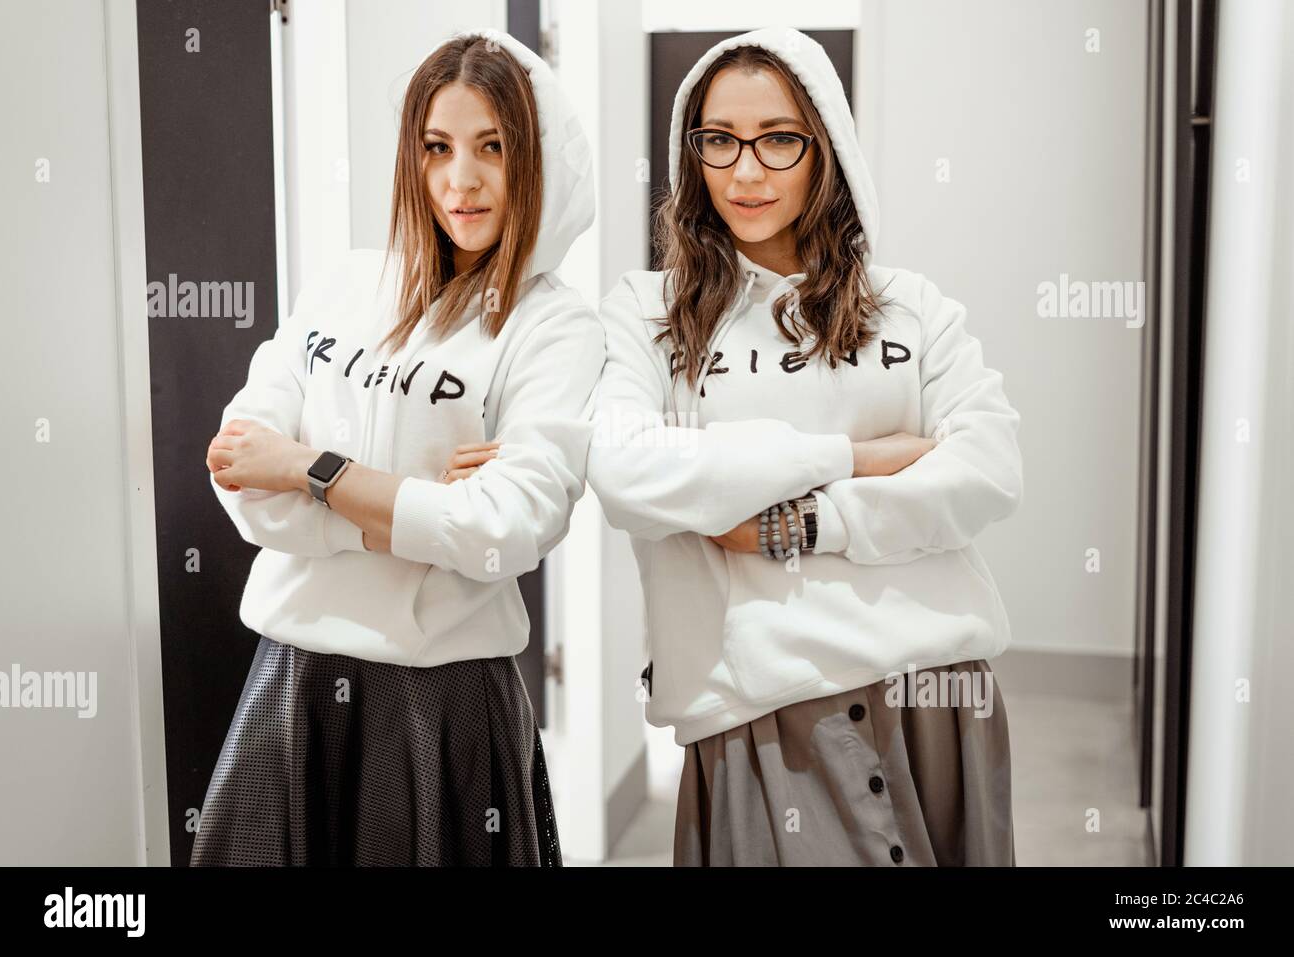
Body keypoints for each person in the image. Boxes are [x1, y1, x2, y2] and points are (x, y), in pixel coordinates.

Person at [586, 27, 1024, 866]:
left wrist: (799, 526)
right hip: (757, 709)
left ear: (826, 147)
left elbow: (989, 469)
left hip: (939, 691)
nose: (745, 172)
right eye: (720, 140)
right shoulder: (648, 312)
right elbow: (627, 474)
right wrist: (855, 455)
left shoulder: (909, 307)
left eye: (778, 139)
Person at [193, 29, 603, 866]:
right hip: (293, 682)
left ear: (534, 159)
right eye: (437, 147)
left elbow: (502, 530)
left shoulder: (555, 325)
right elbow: (240, 472)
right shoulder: (343, 283)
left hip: (442, 701)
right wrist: (415, 511)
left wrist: (311, 469)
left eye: (493, 147)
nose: (462, 179)